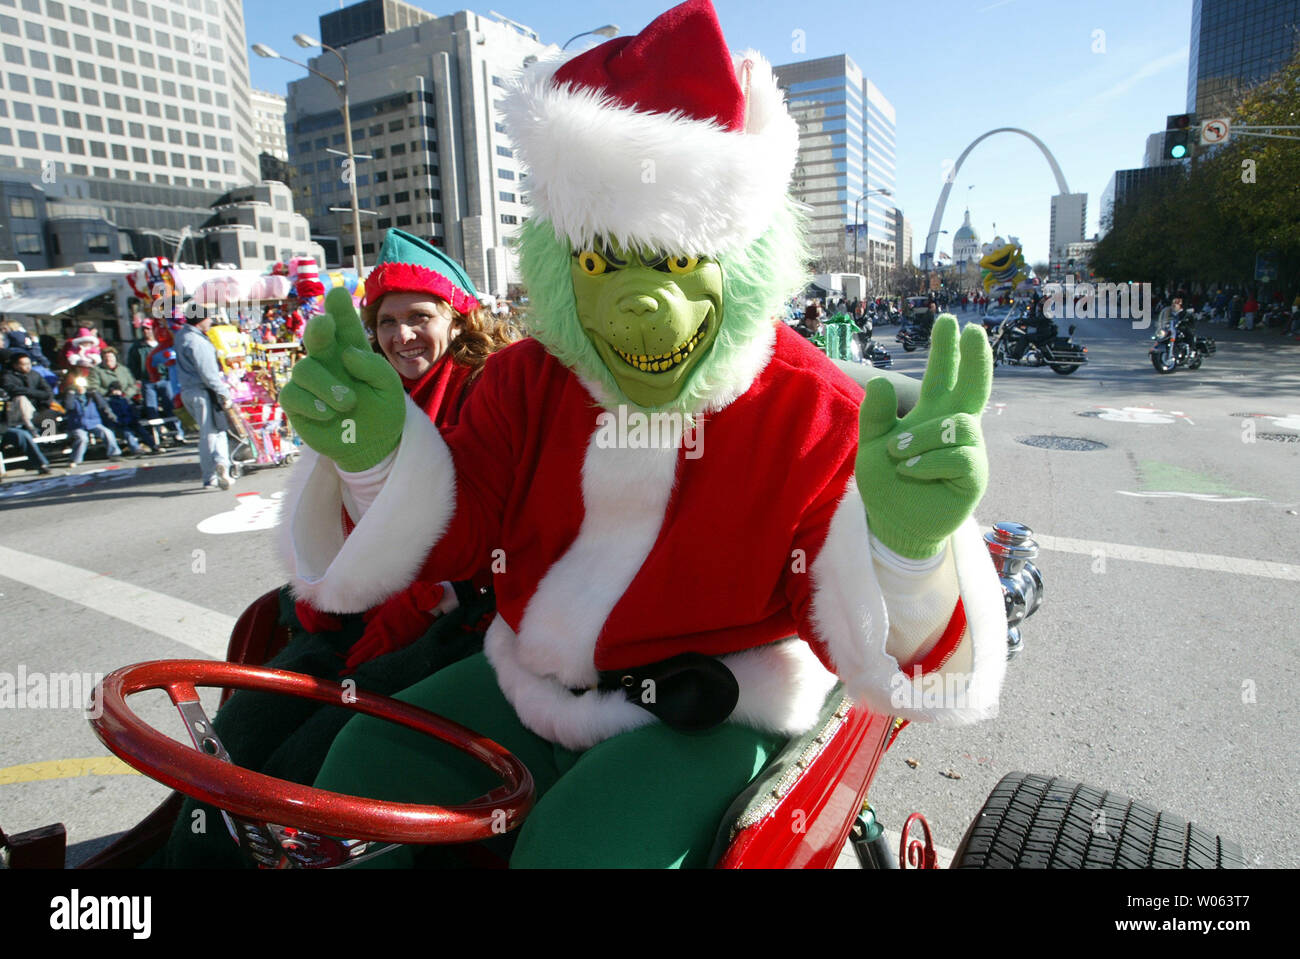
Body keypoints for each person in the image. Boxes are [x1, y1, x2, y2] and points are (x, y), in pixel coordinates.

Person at [277, 0, 1004, 870]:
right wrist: (377, 460)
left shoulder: (810, 406)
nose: (636, 297)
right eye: (600, 261)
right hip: (533, 680)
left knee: (583, 855)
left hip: (721, 705)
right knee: (358, 773)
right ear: (560, 260)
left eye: (671, 258)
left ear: (741, 256)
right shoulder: (523, 380)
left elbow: (855, 633)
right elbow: (459, 533)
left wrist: (908, 553)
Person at [156, 230, 516, 868]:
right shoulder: (373, 392)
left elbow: (494, 528)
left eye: (420, 318)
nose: (402, 336)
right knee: (242, 728)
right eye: (387, 322)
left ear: (459, 319)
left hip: (456, 616)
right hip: (359, 609)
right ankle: (190, 854)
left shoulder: (490, 391)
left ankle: (274, 847)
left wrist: (430, 596)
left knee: (320, 749)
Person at [173, 309, 234, 490]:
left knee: (209, 432)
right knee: (214, 432)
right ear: (201, 320)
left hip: (188, 390)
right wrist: (224, 394)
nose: (211, 322)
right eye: (209, 318)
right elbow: (209, 375)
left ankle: (213, 472)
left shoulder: (181, 335)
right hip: (203, 391)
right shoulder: (198, 342)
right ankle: (217, 468)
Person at [60, 372, 123, 467]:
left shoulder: (91, 395)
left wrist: (95, 393)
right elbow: (68, 407)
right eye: (78, 386)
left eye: (82, 386)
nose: (81, 388)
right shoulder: (71, 396)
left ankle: (114, 454)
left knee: (107, 432)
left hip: (93, 422)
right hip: (78, 424)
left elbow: (102, 404)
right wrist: (70, 394)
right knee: (82, 438)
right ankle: (75, 459)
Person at [2, 352, 54, 431]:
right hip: (16, 411)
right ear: (15, 365)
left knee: (51, 412)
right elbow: (13, 390)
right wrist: (37, 393)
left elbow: (47, 392)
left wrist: (44, 403)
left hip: (37, 407)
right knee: (21, 398)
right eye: (24, 364)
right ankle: (31, 429)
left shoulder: (35, 375)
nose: (28, 366)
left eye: (29, 363)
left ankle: (51, 437)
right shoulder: (6, 376)